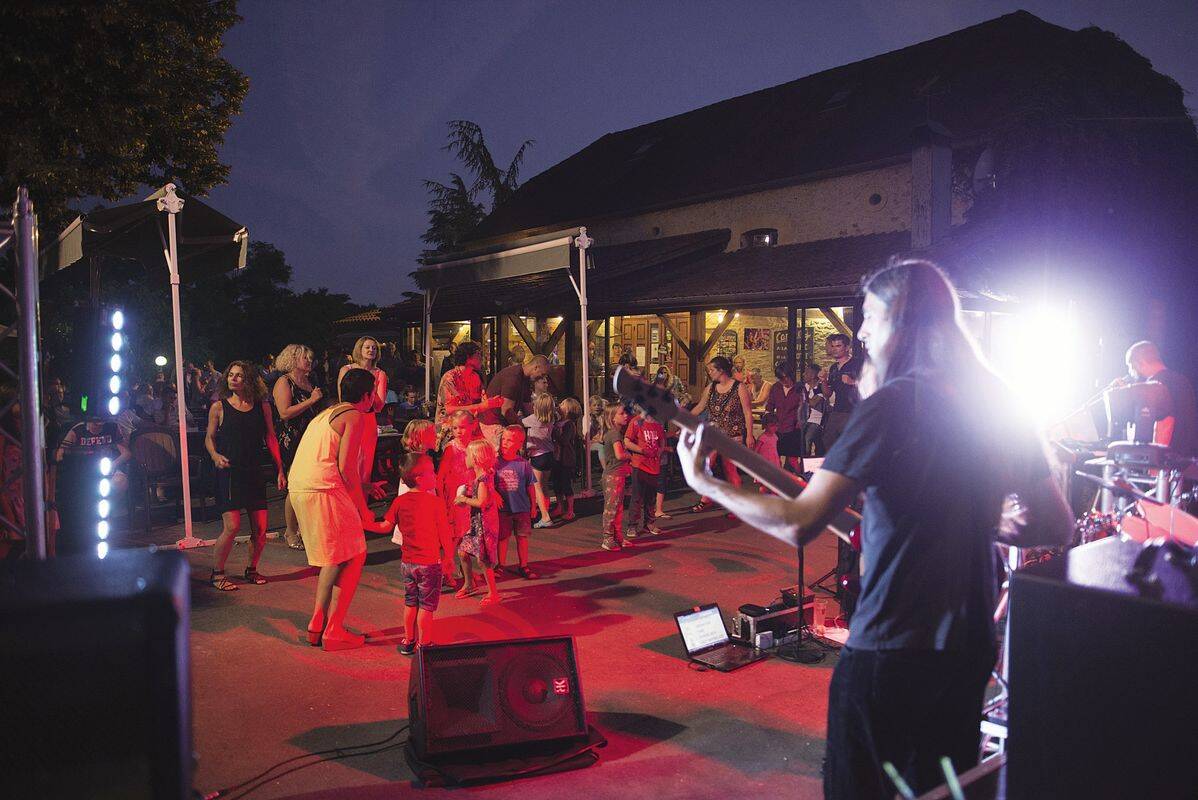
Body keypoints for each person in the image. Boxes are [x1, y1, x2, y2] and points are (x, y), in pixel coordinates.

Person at [675, 259, 1073, 799]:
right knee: (937, 788)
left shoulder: (892, 405)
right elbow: (1055, 522)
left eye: (869, 319)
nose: (859, 333)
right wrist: (970, 516)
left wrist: (707, 482)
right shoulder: (996, 399)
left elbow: (798, 523)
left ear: (902, 323)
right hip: (967, 646)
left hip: (891, 651)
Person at [288, 368, 381, 651]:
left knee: (334, 557)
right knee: (356, 554)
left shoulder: (325, 414)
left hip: (301, 487)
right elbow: (346, 469)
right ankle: (334, 629)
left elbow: (326, 458)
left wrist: (363, 489)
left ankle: (318, 624)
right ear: (366, 396)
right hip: (323, 489)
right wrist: (364, 511)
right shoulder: (354, 415)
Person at [206, 362, 286, 591]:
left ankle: (252, 569)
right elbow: (209, 438)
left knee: (260, 529)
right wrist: (215, 455)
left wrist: (280, 468)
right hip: (229, 470)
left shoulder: (263, 407)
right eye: (230, 375)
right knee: (232, 526)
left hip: (254, 470)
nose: (233, 379)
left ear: (249, 380)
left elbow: (271, 438)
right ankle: (217, 573)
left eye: (239, 375)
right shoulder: (219, 407)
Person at [367, 454, 454, 654]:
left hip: (407, 563)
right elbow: (445, 534)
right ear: (419, 478)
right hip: (429, 563)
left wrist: (364, 524)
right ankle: (425, 644)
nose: (434, 475)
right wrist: (448, 558)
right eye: (431, 471)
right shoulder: (436, 503)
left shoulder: (399, 502)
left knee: (410, 602)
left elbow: (385, 526)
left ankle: (408, 641)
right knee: (426, 606)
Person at [272, 344, 326, 550]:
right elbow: (284, 412)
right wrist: (311, 400)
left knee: (310, 485)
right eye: (306, 358)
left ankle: (305, 528)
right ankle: (290, 531)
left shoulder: (310, 382)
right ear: (293, 360)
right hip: (292, 439)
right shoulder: (284, 382)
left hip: (310, 438)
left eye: (311, 358)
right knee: (295, 488)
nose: (310, 362)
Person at [54, 415, 132, 554]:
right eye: (95, 422)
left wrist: (113, 464)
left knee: (121, 481)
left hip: (107, 469)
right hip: (84, 473)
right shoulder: (77, 431)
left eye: (100, 422)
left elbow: (126, 453)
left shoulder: (112, 428)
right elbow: (60, 454)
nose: (98, 425)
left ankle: (108, 512)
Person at [688, 356, 753, 516]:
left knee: (729, 469)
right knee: (707, 464)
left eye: (712, 370)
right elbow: (700, 407)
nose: (709, 373)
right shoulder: (710, 388)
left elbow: (747, 412)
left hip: (733, 434)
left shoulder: (739, 387)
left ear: (721, 370)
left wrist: (749, 435)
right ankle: (707, 497)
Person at [1124, 340, 1198, 457]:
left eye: (1130, 366)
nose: (1130, 372)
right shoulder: (1181, 380)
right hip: (1187, 458)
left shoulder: (1153, 387)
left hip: (1167, 460)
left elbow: (1163, 426)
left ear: (1141, 363)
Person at [338, 337, 388, 501]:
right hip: (349, 418)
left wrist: (370, 388)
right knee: (347, 460)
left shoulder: (380, 374)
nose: (371, 350)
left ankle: (361, 504)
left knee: (364, 464)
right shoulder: (346, 370)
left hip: (368, 421)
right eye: (367, 347)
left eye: (374, 348)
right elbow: (342, 399)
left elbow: (379, 405)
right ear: (359, 349)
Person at [454, 438, 501, 606]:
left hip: (484, 526)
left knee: (483, 559)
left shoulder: (482, 480)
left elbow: (482, 502)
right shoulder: (484, 476)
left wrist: (463, 499)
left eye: (467, 455)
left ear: (475, 458)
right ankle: (469, 583)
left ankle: (493, 593)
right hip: (478, 524)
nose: (465, 458)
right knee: (463, 551)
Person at [437, 410, 478, 591]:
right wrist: (440, 499)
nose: (459, 431)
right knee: (452, 538)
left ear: (472, 426)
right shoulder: (451, 448)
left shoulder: (475, 446)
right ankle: (446, 572)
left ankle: (464, 570)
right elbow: (441, 476)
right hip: (454, 498)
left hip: (470, 495)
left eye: (462, 427)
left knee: (465, 535)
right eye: (455, 428)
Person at [493, 425, 538, 579]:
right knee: (503, 538)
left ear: (519, 444)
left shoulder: (524, 464)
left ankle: (524, 565)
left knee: (522, 538)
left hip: (522, 508)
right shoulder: (495, 463)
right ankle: (501, 565)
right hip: (503, 509)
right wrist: (494, 494)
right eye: (503, 439)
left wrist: (533, 505)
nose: (504, 442)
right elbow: (487, 483)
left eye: (509, 440)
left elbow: (530, 486)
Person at [477, 354, 550, 448]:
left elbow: (527, 407)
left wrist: (541, 421)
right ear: (536, 367)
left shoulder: (526, 379)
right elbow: (506, 411)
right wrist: (522, 427)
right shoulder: (513, 377)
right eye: (542, 374)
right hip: (492, 423)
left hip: (503, 422)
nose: (542, 378)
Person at [435, 341, 498, 429]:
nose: (481, 358)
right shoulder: (450, 377)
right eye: (478, 354)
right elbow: (449, 409)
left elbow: (480, 403)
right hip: (449, 428)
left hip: (468, 425)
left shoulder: (475, 377)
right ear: (468, 357)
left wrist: (492, 403)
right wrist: (482, 406)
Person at [624, 404, 665, 539]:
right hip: (639, 465)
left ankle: (649, 522)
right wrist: (641, 450)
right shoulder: (636, 422)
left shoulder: (658, 424)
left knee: (650, 497)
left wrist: (659, 451)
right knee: (637, 497)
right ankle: (632, 525)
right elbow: (627, 441)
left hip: (654, 466)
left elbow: (662, 441)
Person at [820, 333, 863, 450]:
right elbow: (827, 394)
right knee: (828, 441)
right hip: (837, 411)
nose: (835, 349)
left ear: (847, 347)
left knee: (850, 447)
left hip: (853, 411)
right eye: (833, 346)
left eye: (838, 346)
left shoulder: (857, 364)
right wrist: (823, 381)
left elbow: (874, 384)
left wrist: (853, 382)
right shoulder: (833, 368)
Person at [522, 392, 557, 528]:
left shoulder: (533, 418)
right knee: (545, 486)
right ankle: (546, 511)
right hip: (549, 454)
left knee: (537, 488)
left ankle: (545, 516)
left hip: (538, 455)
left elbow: (518, 421)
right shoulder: (551, 419)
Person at [600, 402, 632, 551]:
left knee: (618, 508)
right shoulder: (614, 434)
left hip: (617, 475)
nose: (626, 415)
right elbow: (619, 455)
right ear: (612, 418)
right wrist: (630, 455)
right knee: (612, 508)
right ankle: (608, 538)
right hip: (614, 476)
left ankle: (617, 537)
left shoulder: (614, 433)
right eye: (621, 413)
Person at [766, 360, 806, 472]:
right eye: (781, 379)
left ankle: (800, 480)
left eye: (786, 377)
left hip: (793, 428)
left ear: (791, 375)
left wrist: (799, 424)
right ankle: (776, 481)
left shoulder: (799, 388)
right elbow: (770, 404)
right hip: (778, 427)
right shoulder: (776, 387)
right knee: (775, 457)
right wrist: (768, 416)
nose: (785, 381)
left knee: (793, 459)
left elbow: (803, 408)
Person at [551, 397, 581, 521]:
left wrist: (555, 432)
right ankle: (559, 506)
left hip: (565, 458)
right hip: (557, 457)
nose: (560, 405)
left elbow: (564, 440)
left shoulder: (569, 425)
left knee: (565, 483)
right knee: (556, 483)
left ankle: (570, 509)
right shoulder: (557, 422)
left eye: (562, 404)